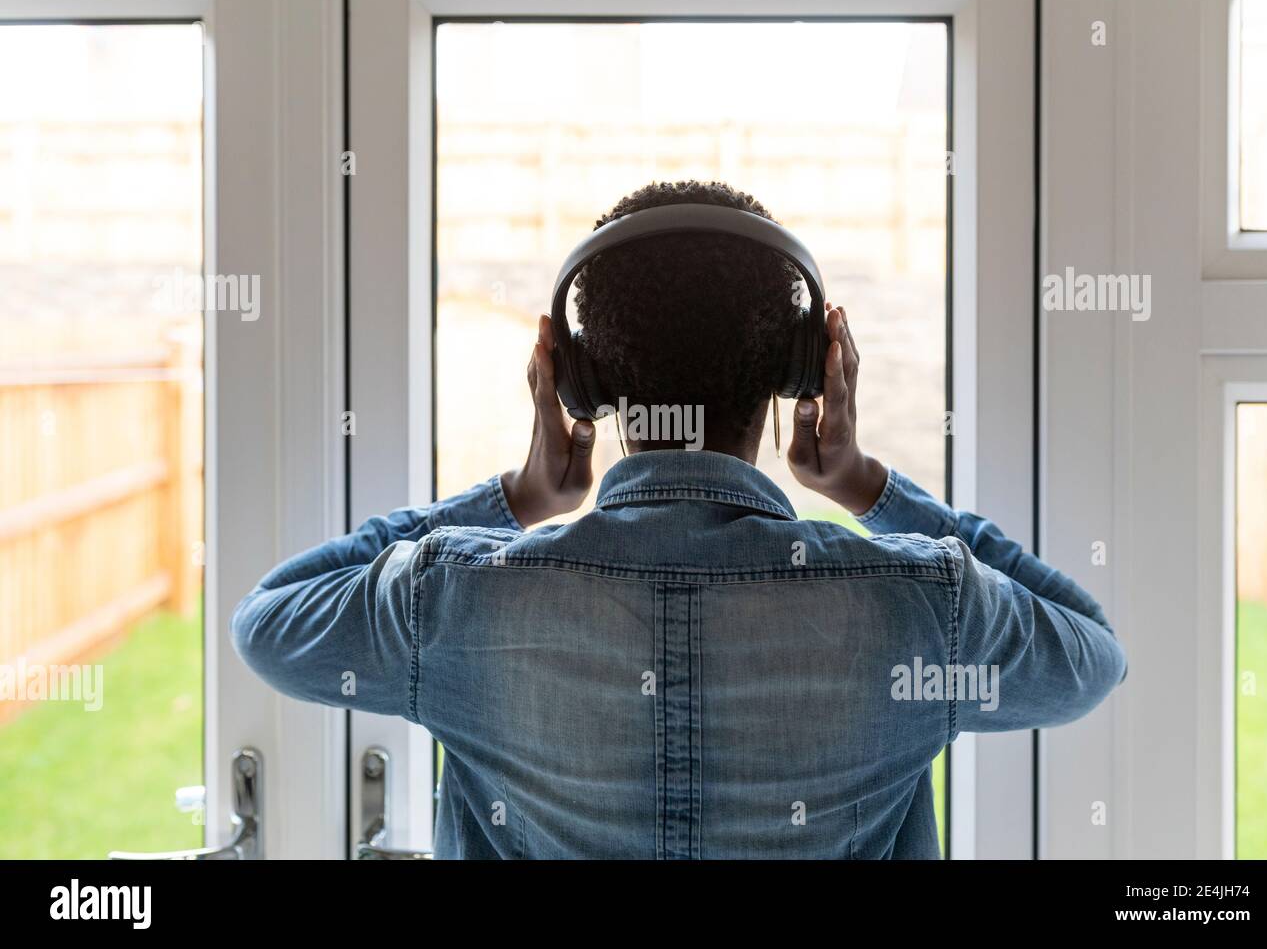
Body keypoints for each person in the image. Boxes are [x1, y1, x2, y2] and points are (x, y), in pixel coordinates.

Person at [231, 179, 1125, 859]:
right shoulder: (924, 606)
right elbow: (1093, 655)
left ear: (572, 380)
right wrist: (866, 485)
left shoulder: (453, 601)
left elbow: (268, 623)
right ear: (806, 373)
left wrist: (516, 498)